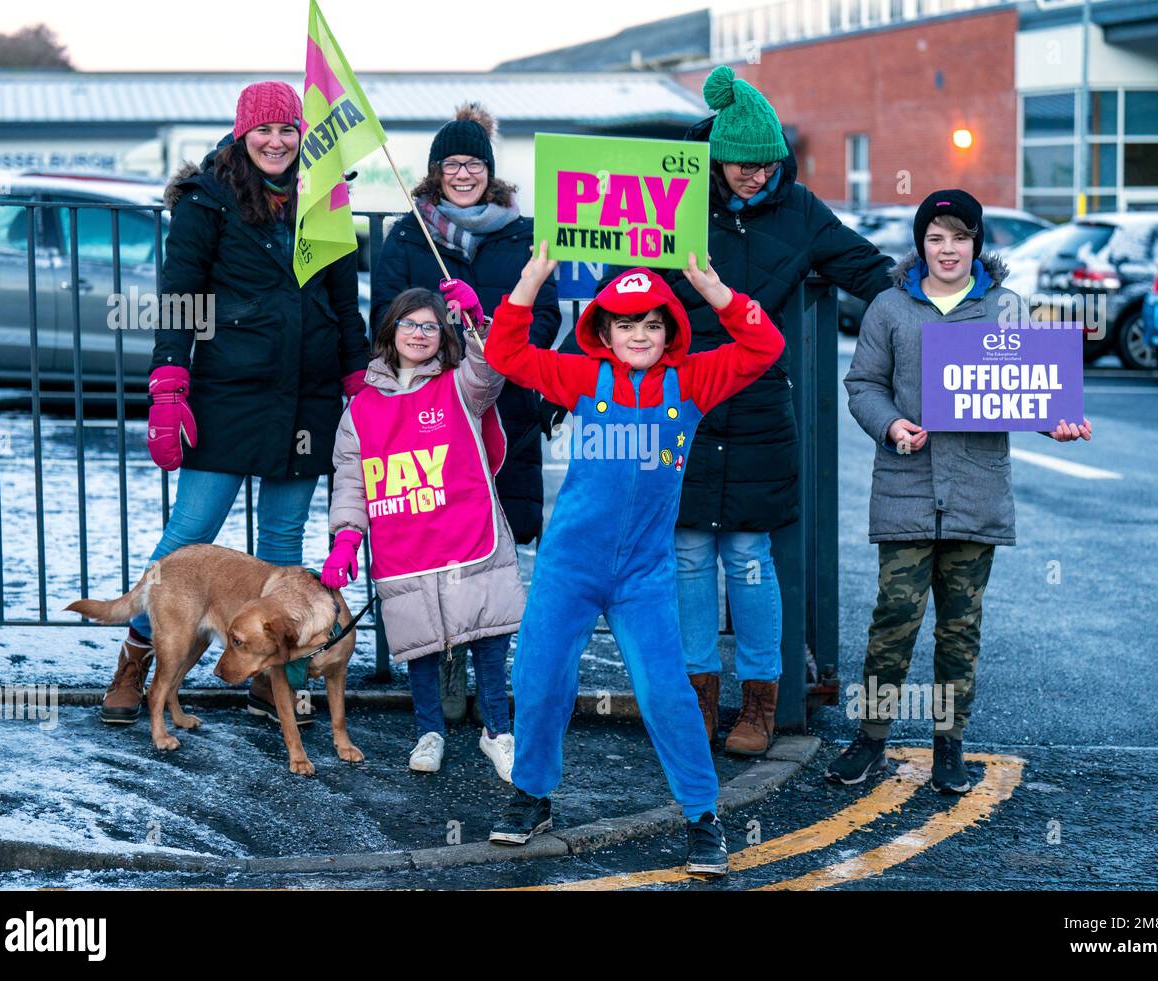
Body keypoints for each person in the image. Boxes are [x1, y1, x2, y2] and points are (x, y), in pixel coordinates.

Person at [596, 66, 894, 757]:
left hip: (759, 401)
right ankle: (698, 696)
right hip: (679, 400)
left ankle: (760, 701)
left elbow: (866, 270)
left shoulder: (803, 213)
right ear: (715, 155)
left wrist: (938, 301)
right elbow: (618, 284)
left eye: (764, 163)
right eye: (739, 163)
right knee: (690, 554)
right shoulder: (668, 200)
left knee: (751, 557)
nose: (752, 175)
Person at [483, 246, 785, 876]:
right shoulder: (584, 376)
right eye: (625, 324)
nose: (639, 335)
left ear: (670, 329)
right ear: (604, 330)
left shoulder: (692, 380)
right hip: (569, 567)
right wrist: (531, 278)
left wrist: (713, 285)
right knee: (539, 680)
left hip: (644, 575)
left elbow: (764, 348)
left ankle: (703, 818)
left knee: (667, 693)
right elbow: (503, 355)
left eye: (652, 323)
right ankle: (532, 795)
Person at [100, 81, 370, 726]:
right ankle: (135, 662)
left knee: (280, 543)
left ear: (302, 136)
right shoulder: (206, 201)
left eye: (288, 131)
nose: (276, 143)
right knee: (189, 537)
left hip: (305, 397)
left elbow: (342, 296)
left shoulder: (323, 198)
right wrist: (169, 382)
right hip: (226, 392)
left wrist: (358, 373)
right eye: (264, 131)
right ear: (243, 134)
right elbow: (179, 295)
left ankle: (269, 672)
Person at [833, 189, 1092, 792]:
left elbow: (1027, 386)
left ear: (977, 243)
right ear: (920, 245)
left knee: (959, 627)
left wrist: (1053, 419)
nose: (947, 249)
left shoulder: (1004, 307)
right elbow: (863, 383)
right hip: (906, 488)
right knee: (893, 620)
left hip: (976, 491)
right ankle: (870, 739)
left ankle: (948, 744)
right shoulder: (890, 309)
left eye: (959, 237)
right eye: (935, 237)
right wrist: (891, 424)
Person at [371, 102, 560, 723]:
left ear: (489, 170)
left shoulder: (524, 232)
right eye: (451, 164)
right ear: (433, 171)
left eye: (473, 163)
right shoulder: (407, 235)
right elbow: (385, 316)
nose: (462, 174)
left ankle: (495, 680)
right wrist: (433, 330)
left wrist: (488, 321)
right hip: (429, 414)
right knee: (439, 540)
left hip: (503, 407)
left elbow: (548, 317)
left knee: (494, 546)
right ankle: (447, 663)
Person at [321, 284, 524, 780]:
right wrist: (347, 536)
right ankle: (428, 732)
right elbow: (350, 478)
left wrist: (478, 317)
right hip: (406, 544)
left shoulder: (461, 383)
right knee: (422, 648)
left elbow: (492, 366)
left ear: (444, 333)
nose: (418, 333)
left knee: (489, 640)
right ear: (390, 330)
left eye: (430, 325)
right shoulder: (360, 409)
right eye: (408, 323)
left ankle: (498, 731)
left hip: (469, 535)